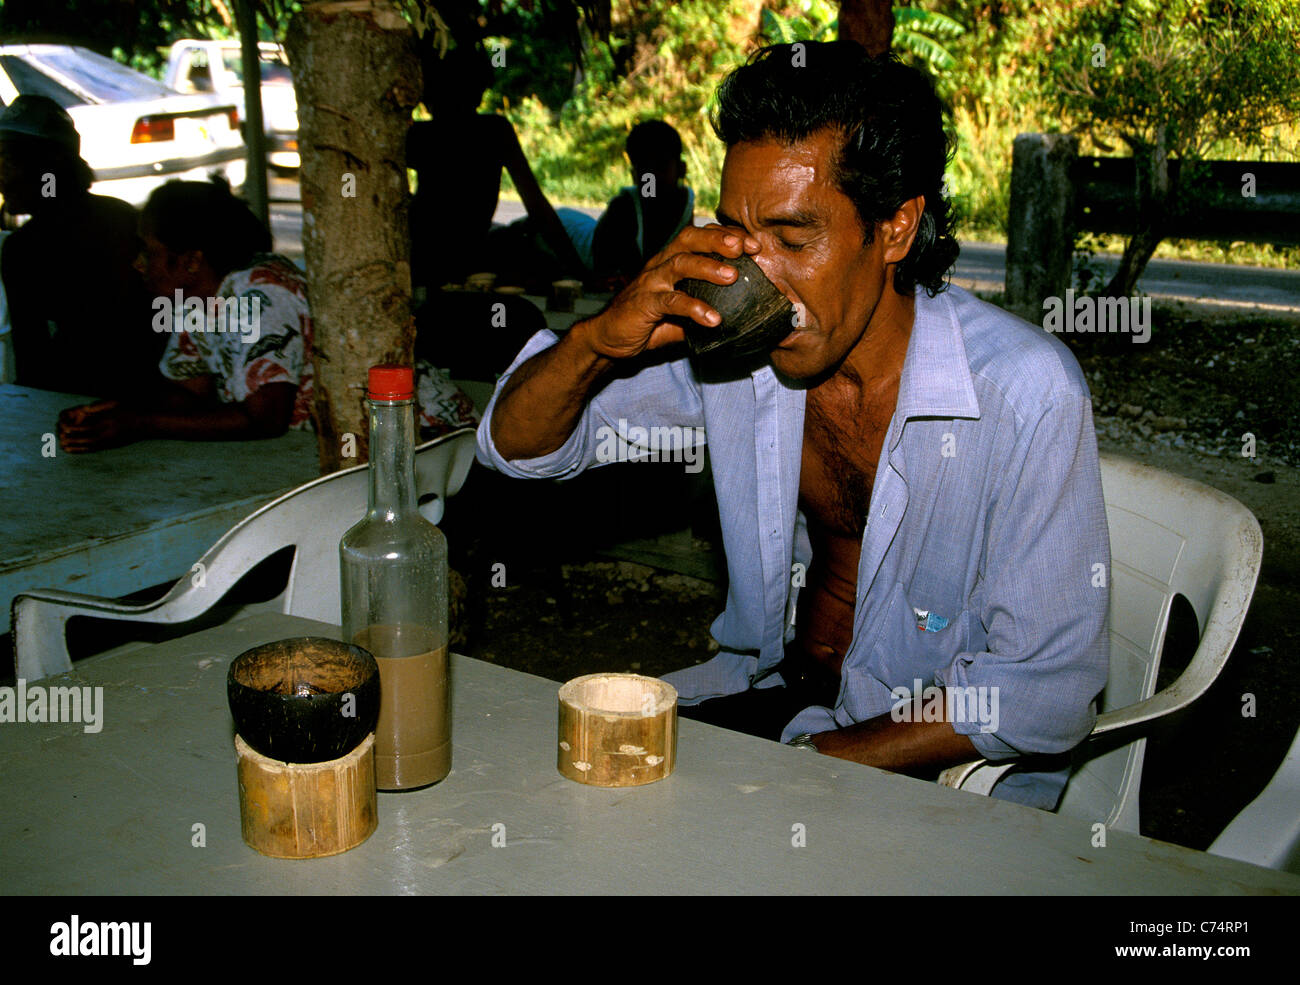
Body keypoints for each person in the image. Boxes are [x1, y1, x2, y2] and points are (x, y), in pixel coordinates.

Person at [476, 42, 1109, 810]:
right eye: (740, 234)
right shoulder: (739, 353)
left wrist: (809, 762)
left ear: (898, 226)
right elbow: (518, 447)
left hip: (941, 773)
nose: (756, 275)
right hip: (779, 701)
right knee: (554, 800)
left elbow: (1043, 691)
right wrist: (596, 341)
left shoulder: (1023, 393)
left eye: (793, 238)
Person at [57, 178, 311, 451]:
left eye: (149, 251)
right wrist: (111, 413)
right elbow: (190, 391)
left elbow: (265, 419)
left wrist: (139, 423)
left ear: (191, 261)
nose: (138, 264)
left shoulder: (262, 296)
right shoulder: (198, 299)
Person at [0, 95, 159, 396]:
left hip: (103, 402)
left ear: (52, 164)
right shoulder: (120, 216)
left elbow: (33, 363)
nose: (2, 176)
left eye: (11, 160)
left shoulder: (25, 248)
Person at [406, 43, 585, 291]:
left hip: (430, 253)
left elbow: (537, 208)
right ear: (478, 92)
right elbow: (537, 206)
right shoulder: (493, 132)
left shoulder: (421, 135)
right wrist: (580, 270)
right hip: (445, 253)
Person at [592, 120, 697, 287]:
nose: (653, 178)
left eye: (661, 166)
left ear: (681, 169)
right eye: (646, 170)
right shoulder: (622, 209)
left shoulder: (685, 202)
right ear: (635, 175)